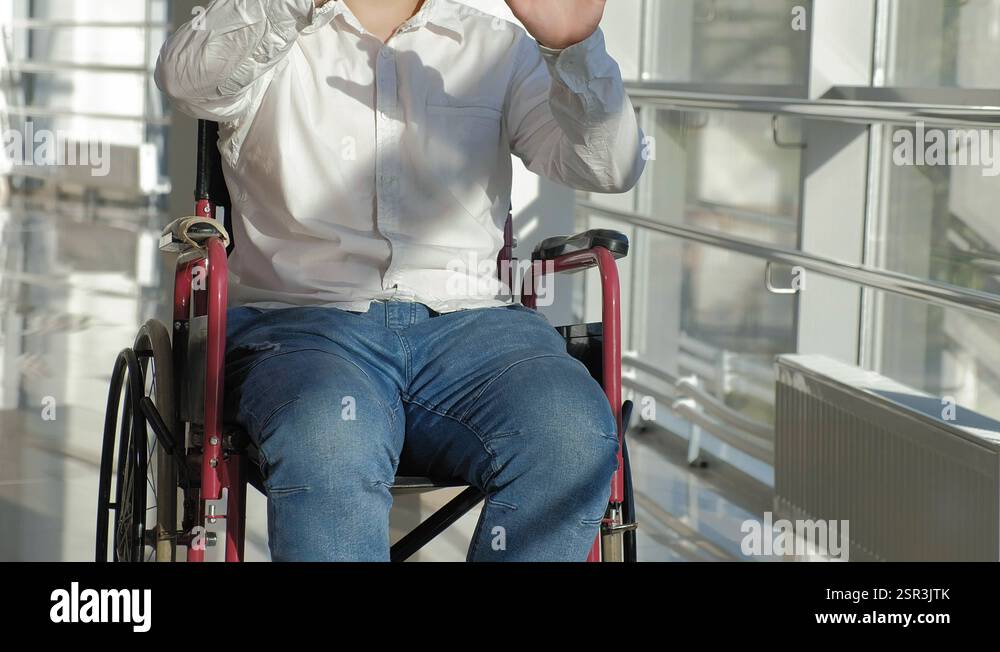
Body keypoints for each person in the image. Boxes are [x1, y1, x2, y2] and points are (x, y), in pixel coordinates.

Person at [155, 0, 645, 561]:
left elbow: (611, 168)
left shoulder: (495, 47)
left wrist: (573, 48)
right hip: (301, 322)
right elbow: (185, 81)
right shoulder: (270, 29)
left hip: (475, 327)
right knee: (331, 433)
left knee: (570, 434)